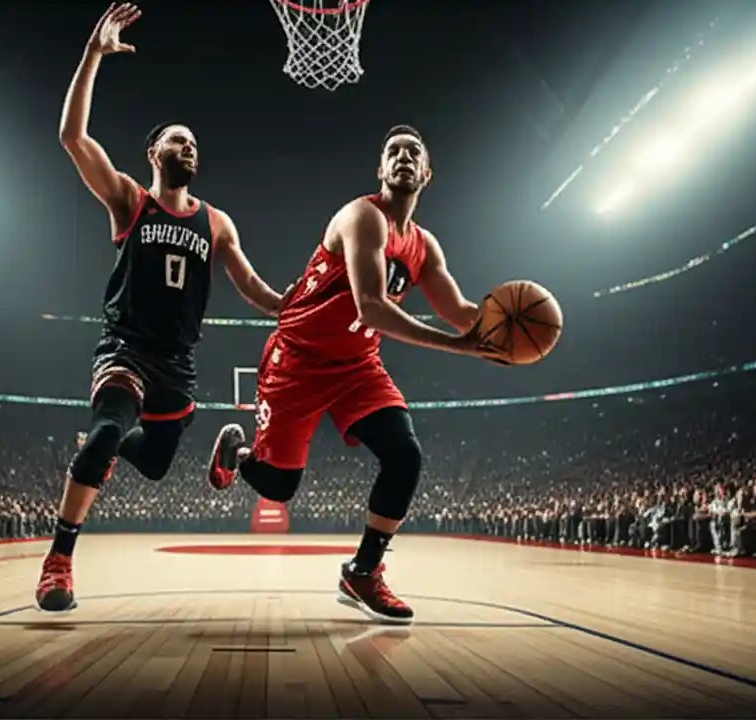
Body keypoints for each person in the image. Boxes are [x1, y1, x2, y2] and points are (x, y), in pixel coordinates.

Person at [35, 2, 283, 612]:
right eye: (178, 139)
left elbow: (252, 286)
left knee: (150, 464)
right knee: (102, 436)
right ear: (154, 152)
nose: (189, 146)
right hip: (126, 351)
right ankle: (59, 560)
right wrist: (94, 54)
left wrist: (297, 308)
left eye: (194, 142)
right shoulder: (130, 201)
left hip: (178, 367)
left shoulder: (217, 222)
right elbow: (72, 137)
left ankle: (139, 442)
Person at [205, 125, 505, 623]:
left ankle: (363, 571)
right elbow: (371, 306)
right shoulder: (362, 216)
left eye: (414, 152)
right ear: (381, 170)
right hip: (297, 360)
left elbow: (458, 310)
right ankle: (238, 453)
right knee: (279, 488)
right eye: (393, 151)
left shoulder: (424, 247)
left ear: (427, 174)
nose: (403, 157)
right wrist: (459, 347)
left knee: (404, 455)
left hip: (357, 365)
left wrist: (503, 333)